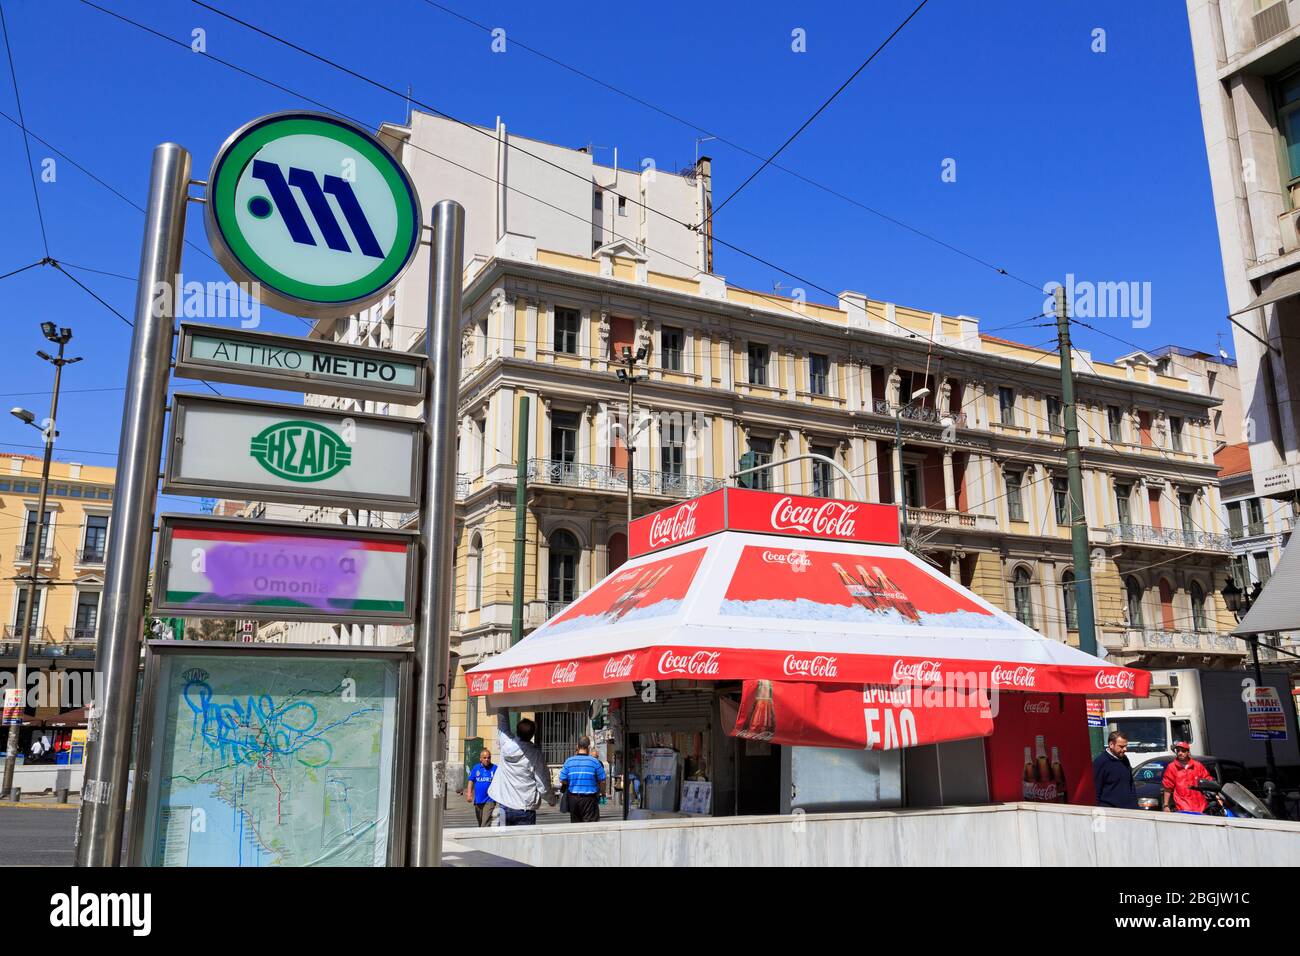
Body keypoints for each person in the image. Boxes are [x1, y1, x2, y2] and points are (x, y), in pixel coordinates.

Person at [487, 710, 555, 826]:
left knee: (503, 842)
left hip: (505, 805)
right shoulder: (535, 754)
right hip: (525, 807)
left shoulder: (506, 745)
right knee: (525, 843)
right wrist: (551, 799)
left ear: (517, 731)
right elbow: (542, 782)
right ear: (532, 735)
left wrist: (501, 699)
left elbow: (502, 723)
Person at [559, 735, 607, 823]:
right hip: (590, 800)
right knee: (590, 827)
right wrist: (602, 793)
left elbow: (562, 779)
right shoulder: (595, 762)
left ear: (577, 746)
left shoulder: (569, 761)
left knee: (576, 827)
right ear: (588, 747)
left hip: (573, 799)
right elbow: (602, 780)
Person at [1162, 742, 1212, 813]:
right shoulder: (1171, 767)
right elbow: (1167, 787)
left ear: (1188, 752)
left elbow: (1208, 782)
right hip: (1182, 809)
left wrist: (1217, 797)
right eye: (1178, 750)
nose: (1180, 753)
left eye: (1183, 751)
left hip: (1201, 808)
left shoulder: (1198, 766)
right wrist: (1166, 805)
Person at [1092, 731, 1138, 809]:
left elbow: (1130, 784)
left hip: (1128, 810)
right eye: (1121, 746)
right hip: (1110, 811)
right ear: (1111, 745)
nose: (1125, 749)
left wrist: (1135, 805)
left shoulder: (1125, 759)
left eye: (1126, 746)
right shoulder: (1100, 762)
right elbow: (1096, 790)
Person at [465, 748, 498, 827]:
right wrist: (469, 794)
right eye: (485, 758)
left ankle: (484, 836)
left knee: (485, 823)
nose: (487, 759)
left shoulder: (495, 768)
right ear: (480, 759)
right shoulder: (476, 768)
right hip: (478, 800)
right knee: (480, 823)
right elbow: (471, 781)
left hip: (490, 800)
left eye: (489, 757)